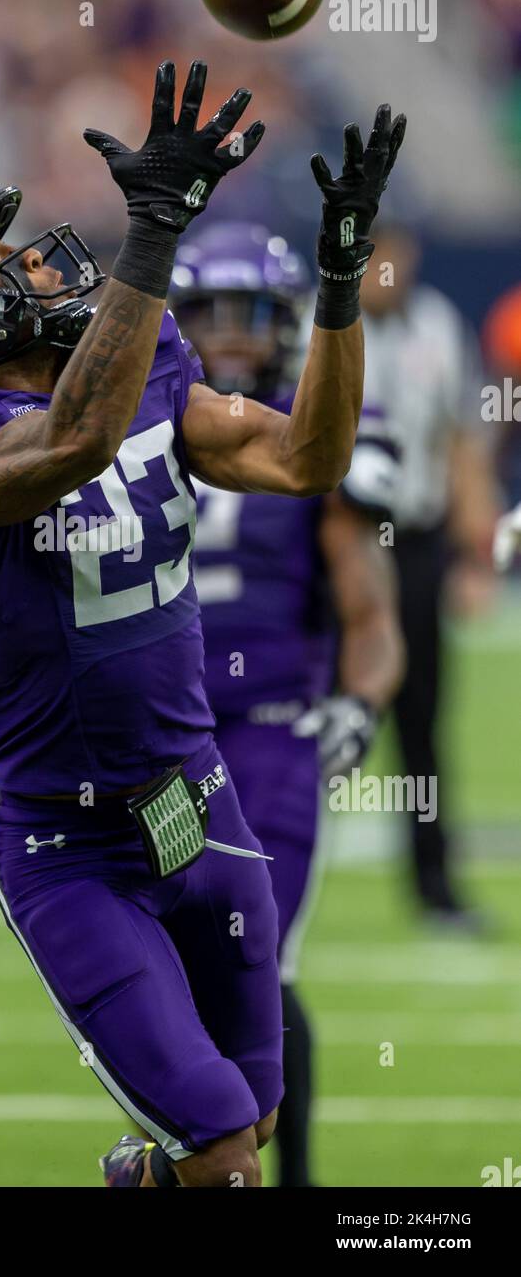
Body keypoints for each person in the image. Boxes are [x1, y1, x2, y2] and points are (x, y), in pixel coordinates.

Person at [0, 60, 405, 1187]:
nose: (22, 256)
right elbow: (69, 445)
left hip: (198, 797)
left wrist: (337, 281)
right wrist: (151, 231)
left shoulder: (134, 366)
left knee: (244, 1120)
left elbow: (308, 456)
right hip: (68, 839)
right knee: (225, 1157)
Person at [170, 221, 405, 1186]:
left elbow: (368, 605)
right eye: (208, 313)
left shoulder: (316, 436)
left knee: (258, 967)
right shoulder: (136, 424)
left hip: (269, 733)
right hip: (161, 739)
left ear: (285, 324)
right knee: (169, 982)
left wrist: (360, 701)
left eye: (250, 313)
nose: (229, 335)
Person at [358, 224, 499, 927]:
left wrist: (476, 553)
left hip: (413, 544)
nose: (392, 270)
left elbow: (462, 442)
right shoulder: (320, 326)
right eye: (380, 255)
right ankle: (261, 877)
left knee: (422, 722)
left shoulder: (438, 324)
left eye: (401, 255)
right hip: (335, 544)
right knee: (300, 714)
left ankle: (435, 886)